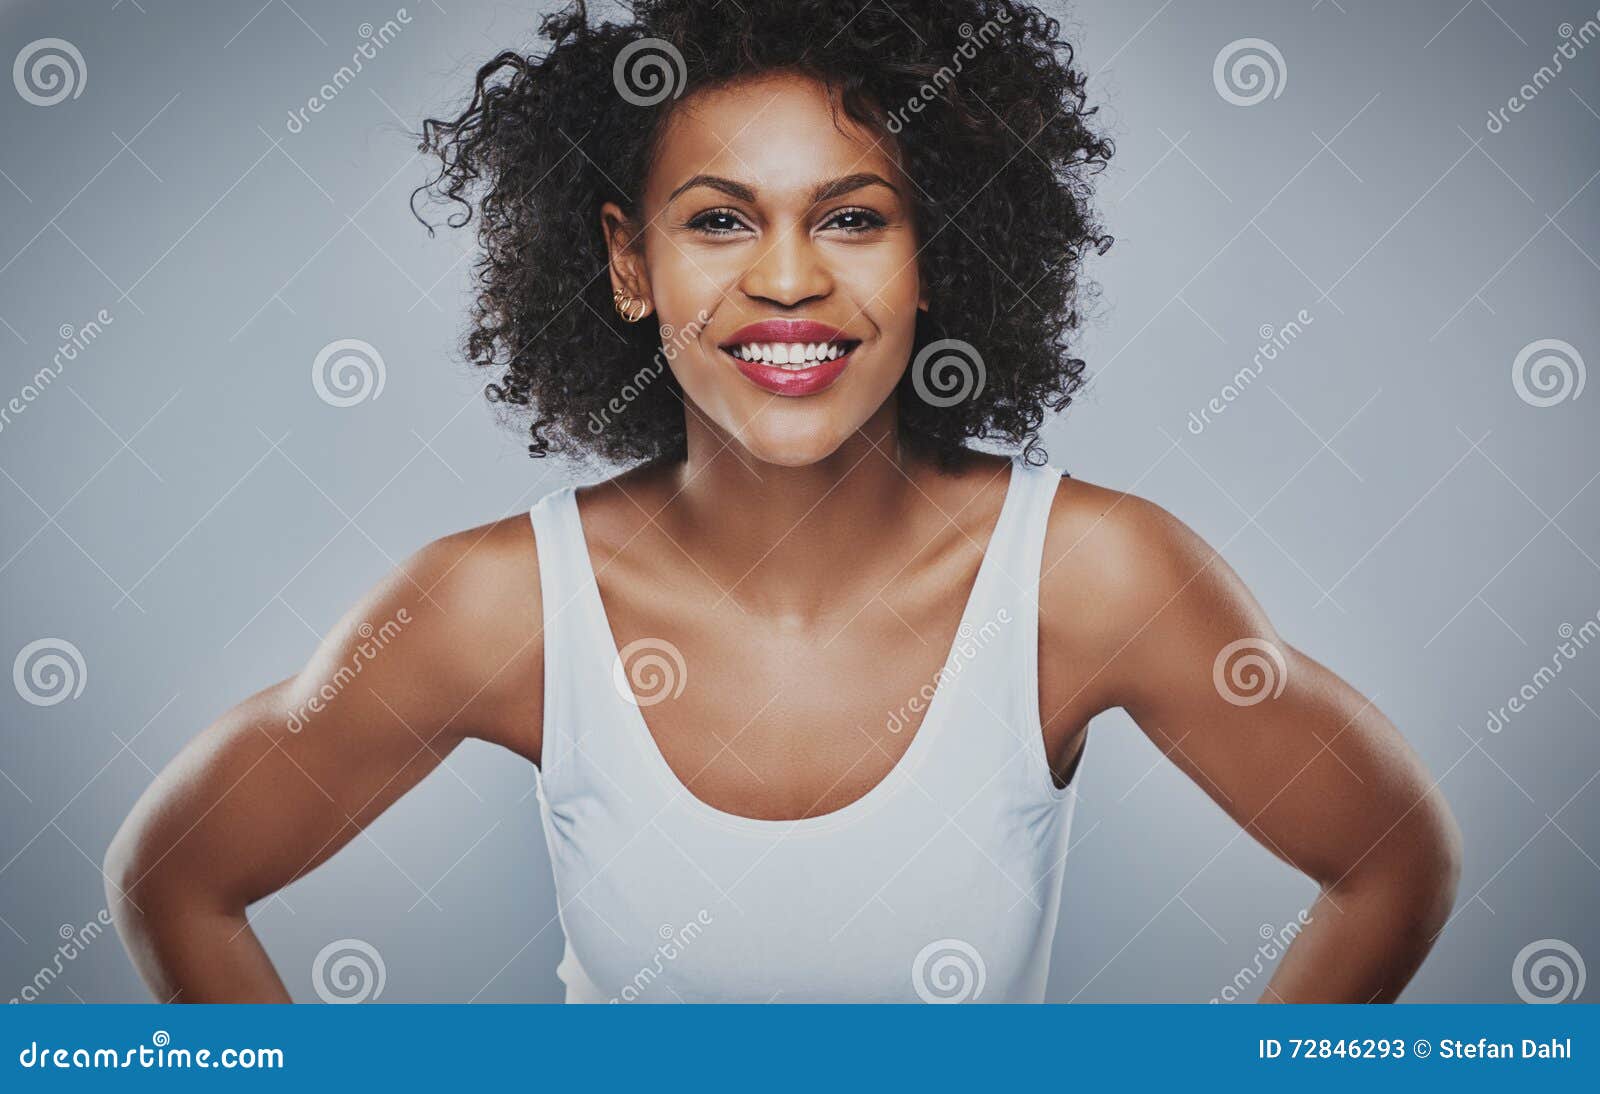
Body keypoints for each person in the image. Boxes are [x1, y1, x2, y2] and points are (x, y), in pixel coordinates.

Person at [105, 0, 1460, 1003]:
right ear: (630, 265)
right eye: (719, 221)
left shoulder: (1089, 577)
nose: (792, 280)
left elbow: (1392, 855)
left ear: (942, 254)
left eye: (856, 217)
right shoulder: (496, 604)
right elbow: (176, 876)